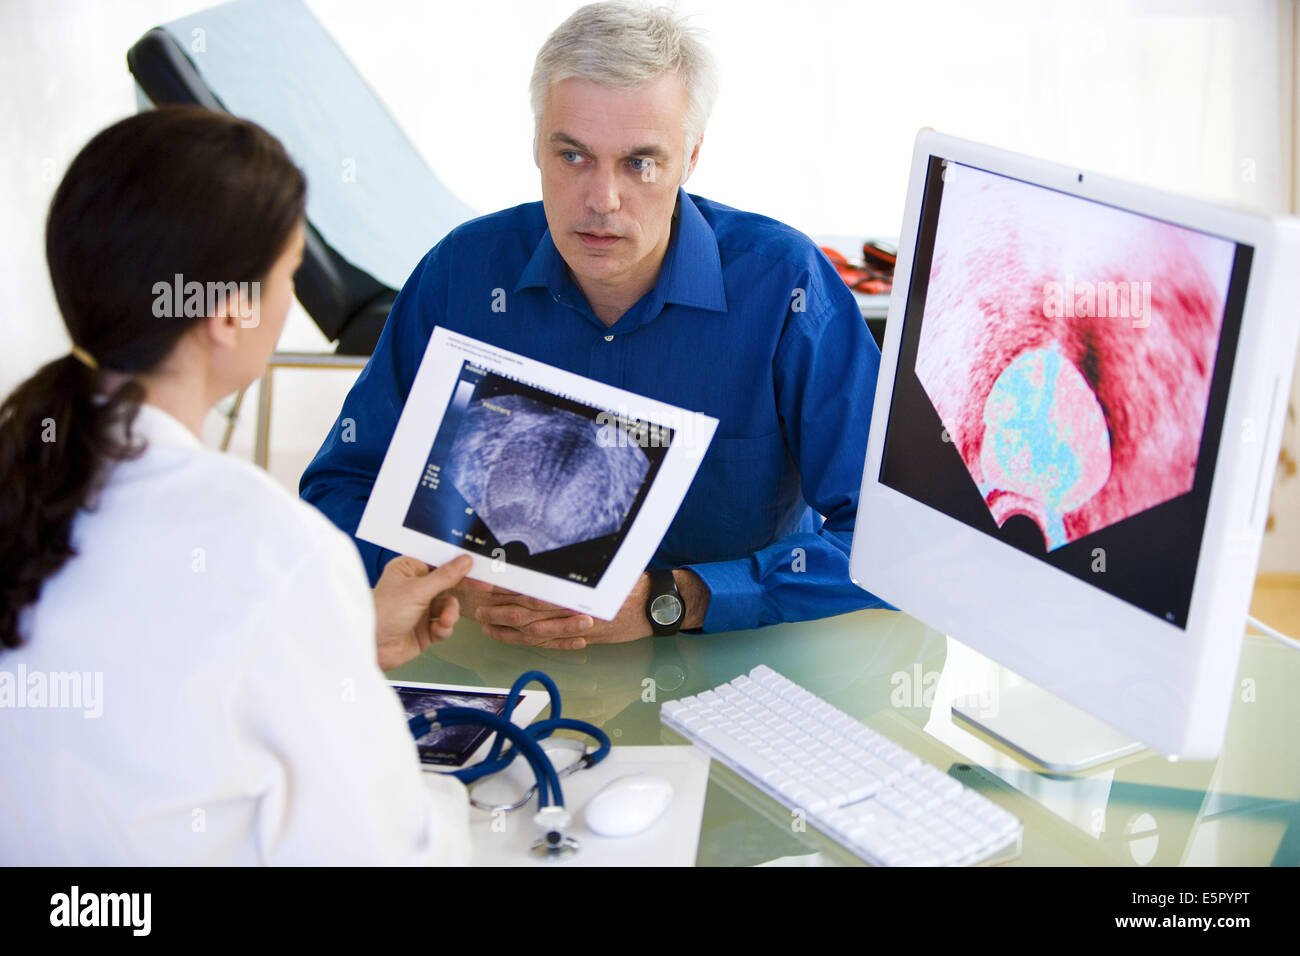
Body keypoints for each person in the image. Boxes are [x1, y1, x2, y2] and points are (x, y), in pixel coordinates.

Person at [301, 1, 889, 651]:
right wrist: (446, 581)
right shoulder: (460, 275)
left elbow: (892, 542)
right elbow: (339, 489)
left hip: (731, 661)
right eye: (573, 156)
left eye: (640, 163)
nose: (603, 201)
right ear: (536, 147)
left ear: (690, 157)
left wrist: (678, 597)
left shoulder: (785, 286)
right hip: (486, 653)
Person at [0, 106, 473, 864]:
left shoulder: (26, 473)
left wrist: (344, 636)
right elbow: (375, 851)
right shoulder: (269, 548)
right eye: (287, 274)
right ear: (228, 313)